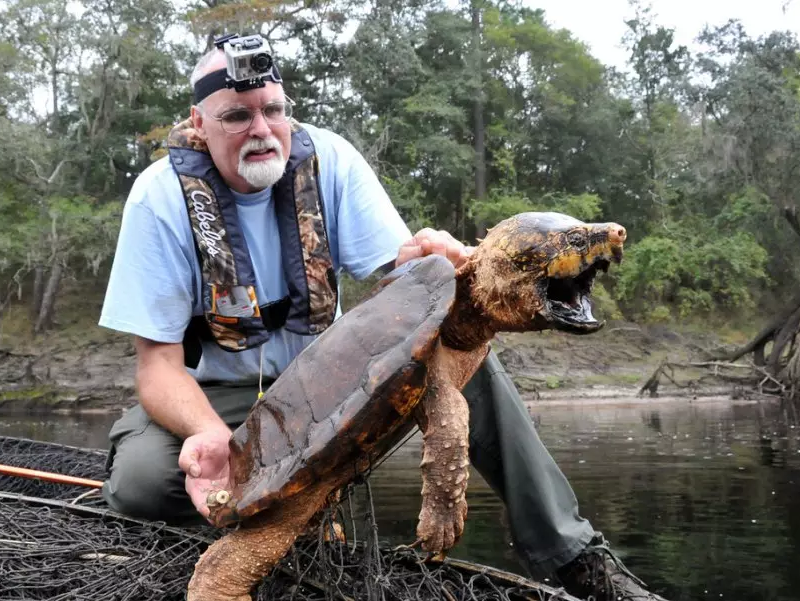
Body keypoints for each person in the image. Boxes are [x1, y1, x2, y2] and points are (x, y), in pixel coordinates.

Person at [98, 34, 667, 601]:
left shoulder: (329, 161)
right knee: (142, 483)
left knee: (459, 345)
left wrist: (436, 257)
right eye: (237, 116)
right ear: (199, 122)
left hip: (326, 385)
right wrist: (206, 432)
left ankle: (577, 556)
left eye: (273, 110)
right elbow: (157, 368)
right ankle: (275, 520)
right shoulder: (161, 198)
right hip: (217, 395)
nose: (262, 130)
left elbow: (403, 281)